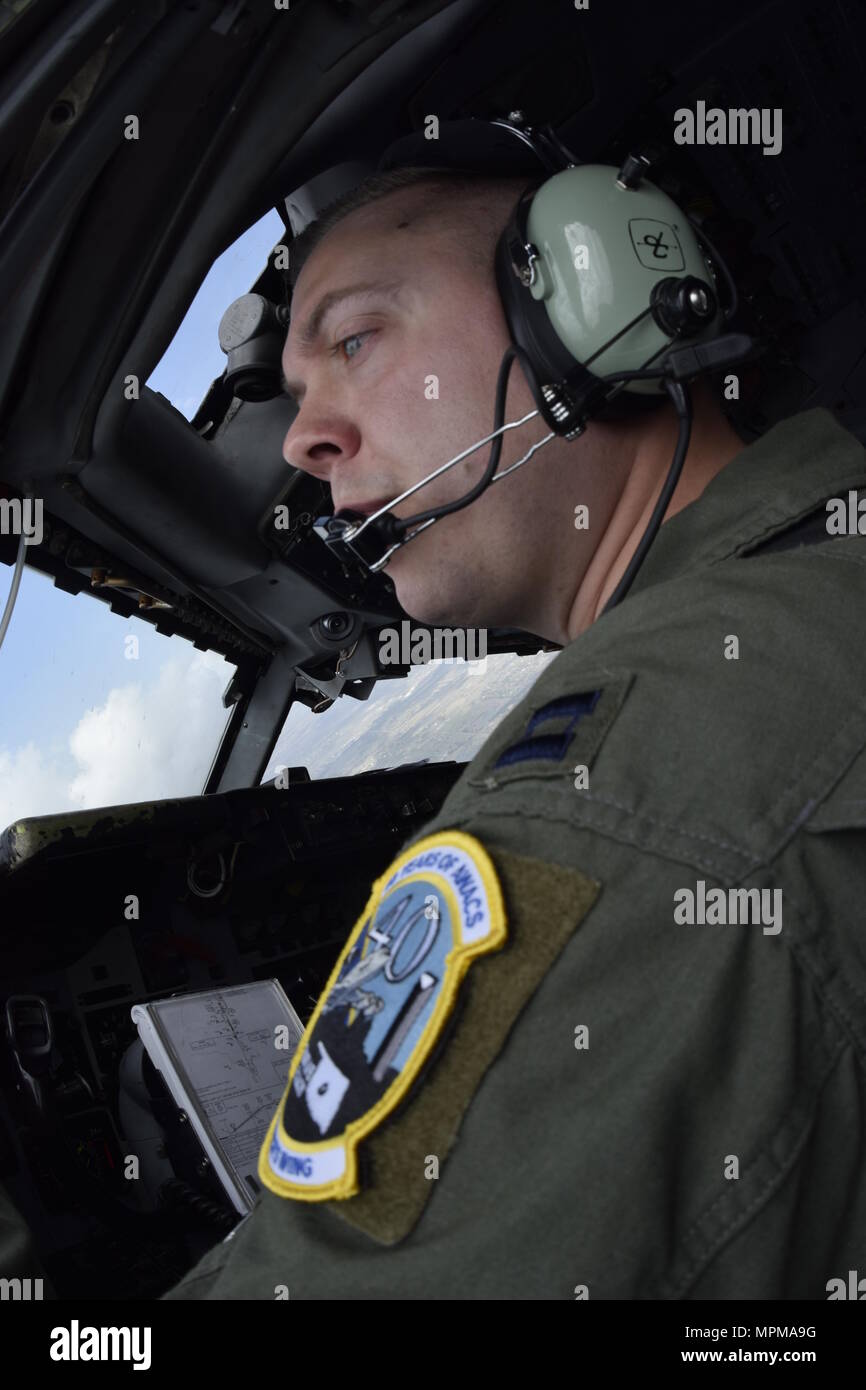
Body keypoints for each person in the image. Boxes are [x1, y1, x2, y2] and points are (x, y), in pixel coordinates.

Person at [163, 165, 866, 1300]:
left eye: (354, 341)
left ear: (585, 304)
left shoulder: (635, 768)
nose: (304, 441)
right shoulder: (809, 578)